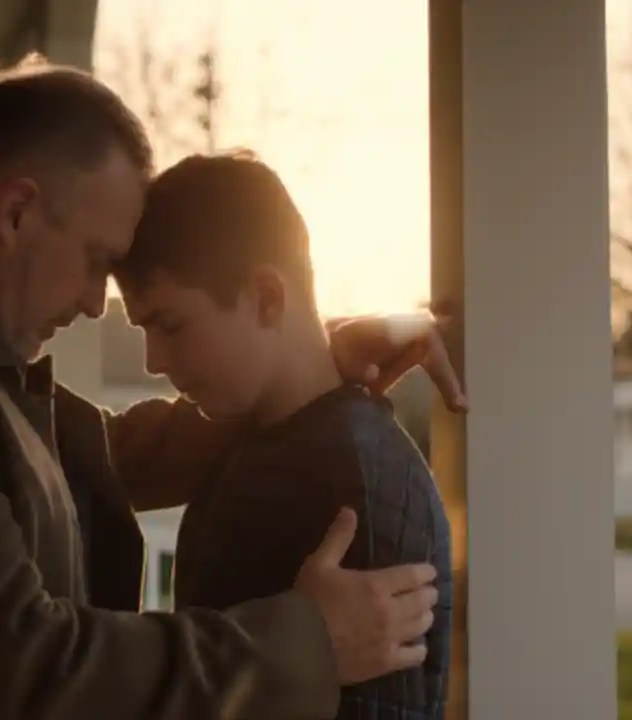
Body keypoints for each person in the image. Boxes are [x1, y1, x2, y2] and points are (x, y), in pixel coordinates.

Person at [0, 57, 463, 719]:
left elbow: (105, 455)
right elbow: (23, 673)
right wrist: (306, 647)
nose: (97, 303)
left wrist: (306, 355)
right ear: (15, 214)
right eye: (98, 260)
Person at [114, 152, 453, 718]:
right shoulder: (251, 438)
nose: (153, 361)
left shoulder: (352, 483)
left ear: (267, 298)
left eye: (170, 325)